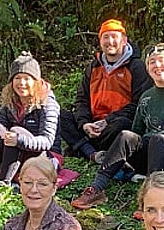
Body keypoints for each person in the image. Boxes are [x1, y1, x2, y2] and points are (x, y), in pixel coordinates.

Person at [72, 43, 164, 210]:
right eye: (152, 62)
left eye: (161, 60)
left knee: (158, 140)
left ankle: (151, 198)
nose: (157, 66)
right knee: (126, 135)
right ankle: (97, 188)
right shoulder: (147, 97)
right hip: (150, 156)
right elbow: (136, 132)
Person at [57, 18, 149, 165]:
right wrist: (84, 124)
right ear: (100, 41)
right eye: (105, 37)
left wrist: (107, 121)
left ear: (124, 40)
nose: (110, 41)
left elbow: (139, 104)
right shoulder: (93, 67)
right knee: (59, 115)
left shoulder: (136, 67)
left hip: (115, 126)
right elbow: (82, 100)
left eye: (114, 36)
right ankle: (91, 152)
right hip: (92, 125)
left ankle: (82, 147)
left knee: (123, 124)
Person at [0, 53, 62, 185]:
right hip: (14, 155)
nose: (21, 83)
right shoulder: (10, 101)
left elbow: (47, 142)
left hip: (44, 156)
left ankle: (3, 183)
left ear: (36, 81)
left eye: (26, 78)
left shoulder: (47, 104)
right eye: (17, 78)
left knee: (16, 131)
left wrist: (19, 140)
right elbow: (0, 129)